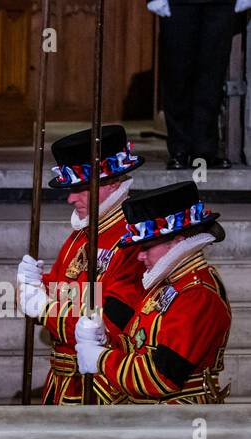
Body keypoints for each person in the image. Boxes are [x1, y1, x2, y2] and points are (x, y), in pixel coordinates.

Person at [16, 125, 147, 404]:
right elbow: (62, 287)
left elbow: (110, 320)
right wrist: (31, 286)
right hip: (64, 380)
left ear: (111, 183)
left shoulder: (133, 240)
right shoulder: (82, 234)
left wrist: (44, 307)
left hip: (101, 388)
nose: (70, 198)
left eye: (80, 189)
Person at [76, 181, 231, 404]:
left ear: (178, 241)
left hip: (178, 418)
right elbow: (143, 344)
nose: (139, 256)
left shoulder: (197, 293)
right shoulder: (169, 281)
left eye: (147, 247)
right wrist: (108, 339)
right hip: (151, 410)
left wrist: (102, 359)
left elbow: (162, 376)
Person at [149, 0, 245, 170]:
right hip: (178, 4)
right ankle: (179, 150)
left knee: (213, 76)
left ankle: (205, 150)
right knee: (177, 74)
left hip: (220, 4)